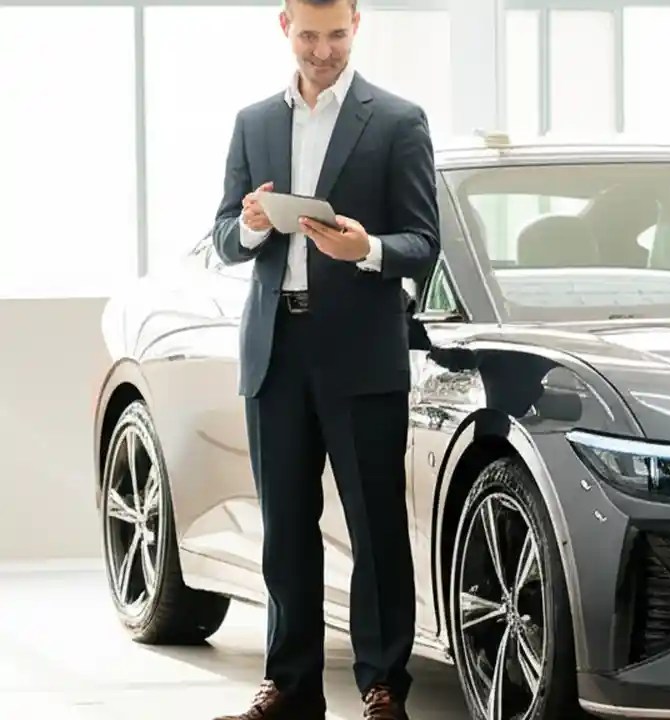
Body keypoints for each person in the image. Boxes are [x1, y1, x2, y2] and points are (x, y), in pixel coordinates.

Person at [209, 0, 438, 717]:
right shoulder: (254, 122)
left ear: (356, 26)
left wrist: (367, 248)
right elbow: (222, 235)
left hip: (361, 355)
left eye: (336, 35)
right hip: (275, 352)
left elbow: (423, 243)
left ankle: (381, 685)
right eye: (309, 35)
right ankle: (290, 686)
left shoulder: (398, 121)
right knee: (285, 528)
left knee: (376, 528)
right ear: (285, 27)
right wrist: (250, 226)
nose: (322, 51)